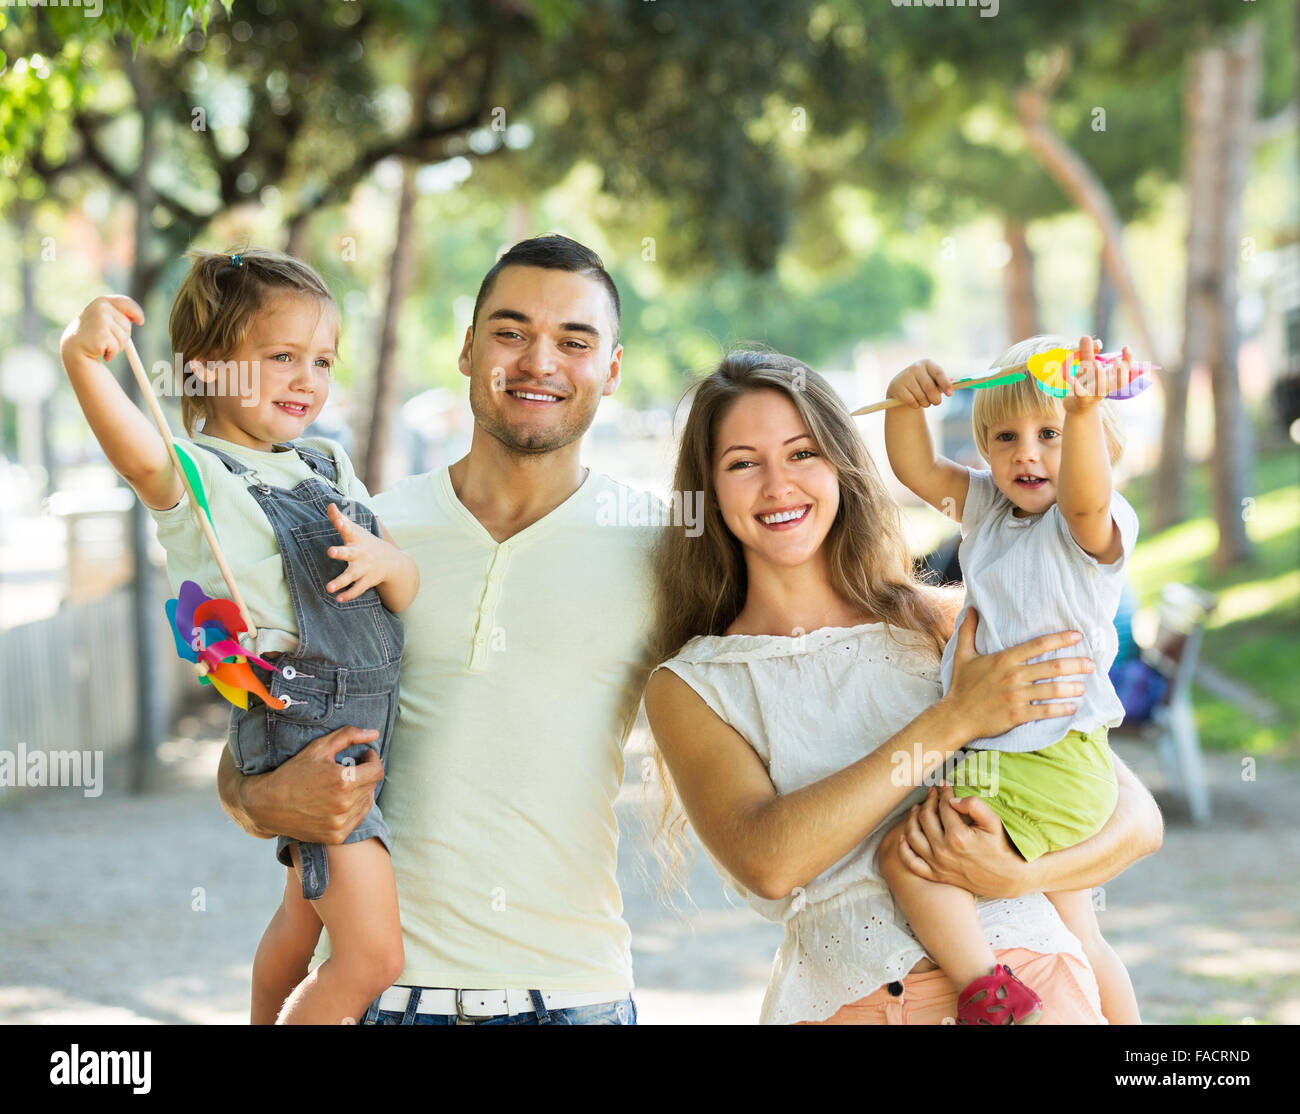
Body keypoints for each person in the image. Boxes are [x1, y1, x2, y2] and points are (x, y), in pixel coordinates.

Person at [643, 349, 1163, 1025]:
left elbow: (1136, 819)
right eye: (743, 462)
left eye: (802, 453)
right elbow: (769, 862)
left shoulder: (950, 624)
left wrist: (1021, 876)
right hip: (854, 1005)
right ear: (708, 489)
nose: (778, 485)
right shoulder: (694, 684)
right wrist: (949, 722)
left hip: (1034, 989)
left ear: (839, 466)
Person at [216, 235, 657, 1025]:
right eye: (511, 331)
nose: (538, 362)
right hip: (379, 1000)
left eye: (575, 341)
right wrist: (263, 797)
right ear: (466, 347)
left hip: (575, 998)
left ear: (613, 369)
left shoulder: (661, 551)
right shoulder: (355, 528)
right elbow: (257, 739)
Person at [60, 250, 419, 1026]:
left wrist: (390, 559)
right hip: (300, 720)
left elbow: (404, 588)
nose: (307, 380)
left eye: (321, 360)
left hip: (363, 718)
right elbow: (135, 452)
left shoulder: (326, 464)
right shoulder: (195, 474)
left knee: (305, 921)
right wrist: (81, 358)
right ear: (210, 370)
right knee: (372, 958)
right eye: (281, 356)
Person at [878, 334, 1143, 1024]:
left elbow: (1085, 500)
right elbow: (916, 470)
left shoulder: (1088, 525)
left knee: (910, 855)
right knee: (1080, 935)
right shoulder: (990, 511)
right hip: (1037, 752)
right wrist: (907, 400)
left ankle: (988, 994)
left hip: (1049, 758)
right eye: (1005, 436)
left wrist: (1080, 413)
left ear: (1098, 446)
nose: (1026, 452)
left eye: (1049, 434)